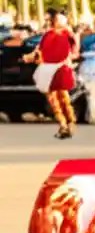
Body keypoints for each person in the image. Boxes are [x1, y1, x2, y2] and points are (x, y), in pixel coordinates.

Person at [23, 10, 78, 139]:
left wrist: (68, 59)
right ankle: (63, 124)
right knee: (54, 100)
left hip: (61, 68)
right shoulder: (47, 35)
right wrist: (30, 57)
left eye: (51, 19)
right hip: (48, 69)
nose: (50, 22)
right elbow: (39, 50)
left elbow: (75, 51)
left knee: (64, 98)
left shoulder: (69, 35)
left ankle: (70, 122)